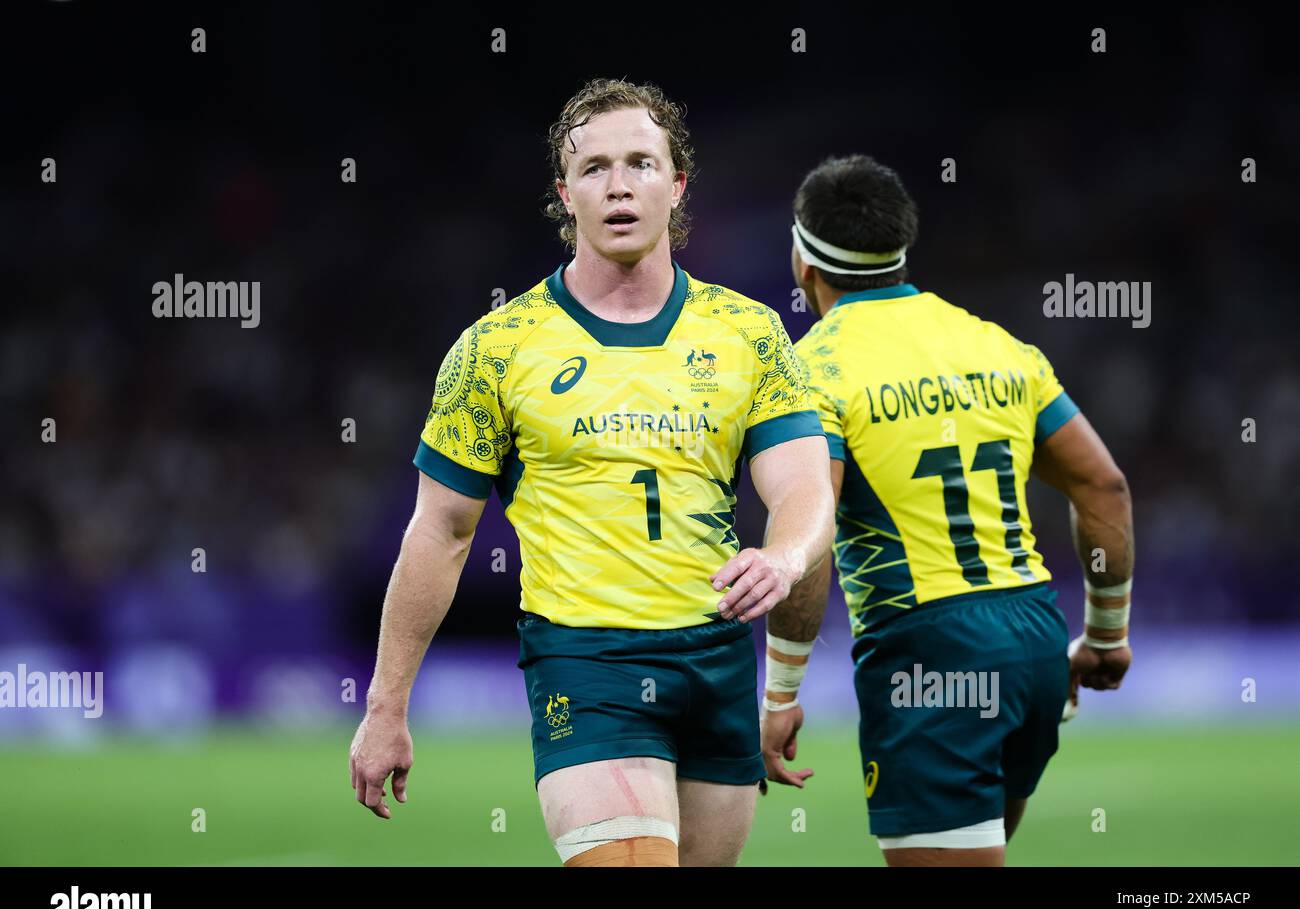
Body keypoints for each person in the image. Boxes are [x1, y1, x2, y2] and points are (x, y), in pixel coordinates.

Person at [348, 79, 835, 867]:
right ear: (563, 194)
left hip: (715, 665)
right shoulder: (495, 350)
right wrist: (385, 704)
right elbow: (440, 530)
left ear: (675, 187)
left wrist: (781, 557)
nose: (618, 184)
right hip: (589, 666)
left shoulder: (750, 333)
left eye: (642, 163)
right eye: (595, 166)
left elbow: (807, 489)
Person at [761, 155, 1134, 866]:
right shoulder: (995, 345)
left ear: (802, 260)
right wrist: (1106, 637)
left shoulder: (814, 369)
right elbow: (1103, 486)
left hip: (928, 651)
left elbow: (810, 537)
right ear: (901, 247)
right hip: (1033, 640)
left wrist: (780, 694)